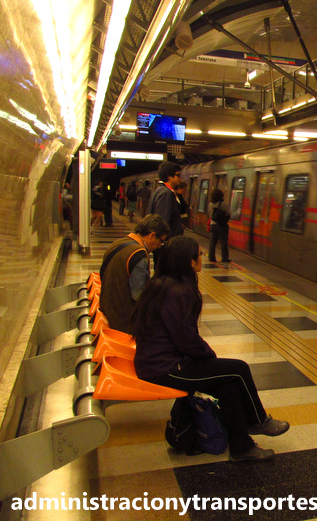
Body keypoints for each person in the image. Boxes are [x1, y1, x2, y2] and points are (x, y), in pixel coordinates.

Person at [131, 236, 289, 463]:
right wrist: (208, 356)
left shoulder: (162, 284)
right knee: (239, 369)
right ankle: (258, 420)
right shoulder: (179, 292)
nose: (202, 258)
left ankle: (241, 447)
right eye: (199, 255)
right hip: (167, 367)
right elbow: (185, 338)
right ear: (189, 261)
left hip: (157, 361)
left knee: (229, 386)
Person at [99, 215, 170, 333]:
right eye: (161, 241)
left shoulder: (118, 243)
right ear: (152, 235)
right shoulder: (139, 253)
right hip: (123, 320)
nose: (159, 246)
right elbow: (139, 294)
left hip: (107, 308)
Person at [147, 161, 183, 269]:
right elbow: (163, 221)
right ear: (169, 176)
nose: (180, 178)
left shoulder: (160, 191)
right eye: (178, 175)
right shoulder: (165, 193)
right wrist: (164, 243)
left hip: (164, 244)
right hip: (166, 245)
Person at [208, 189, 231, 263]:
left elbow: (210, 214)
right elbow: (229, 213)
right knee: (224, 242)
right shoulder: (223, 204)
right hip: (222, 225)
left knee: (212, 242)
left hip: (213, 224)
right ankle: (224, 258)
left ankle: (211, 257)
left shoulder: (210, 204)